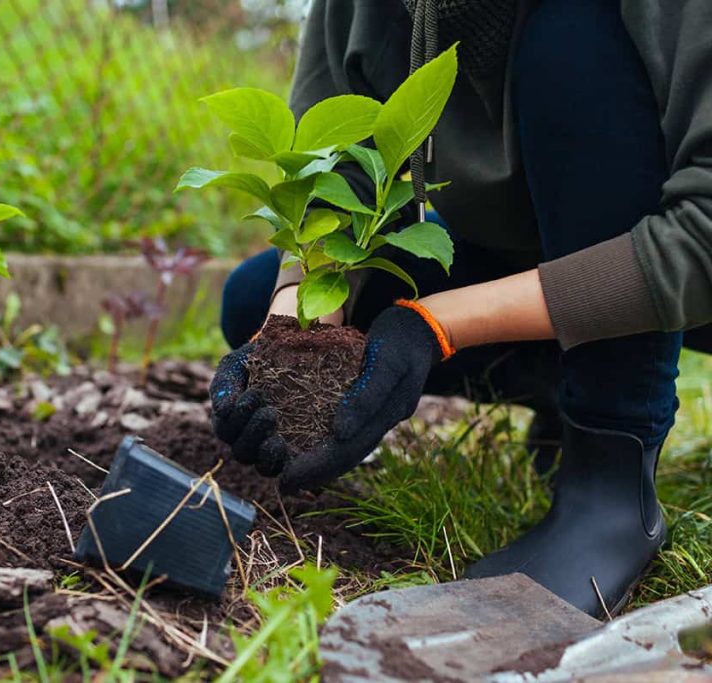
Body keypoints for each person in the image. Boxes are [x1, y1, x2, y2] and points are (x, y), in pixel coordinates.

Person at [210, 0, 712, 618]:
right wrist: (291, 331)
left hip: (683, 245)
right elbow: (339, 172)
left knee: (572, 26)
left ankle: (609, 473)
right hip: (537, 251)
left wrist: (435, 326)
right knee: (252, 298)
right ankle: (565, 380)